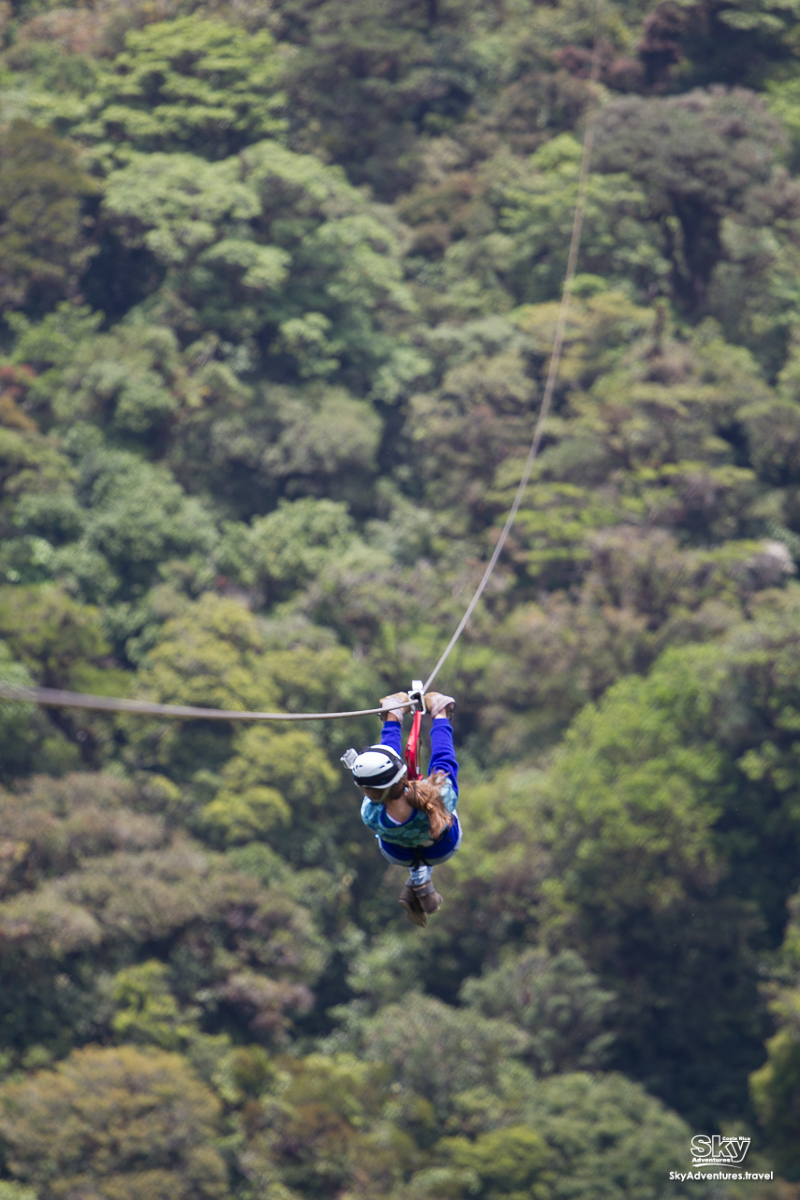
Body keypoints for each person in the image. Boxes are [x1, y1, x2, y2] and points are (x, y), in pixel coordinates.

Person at [341, 691, 460, 927]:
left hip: (398, 855)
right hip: (442, 848)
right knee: (444, 812)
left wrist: (439, 715)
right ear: (403, 773)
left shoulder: (369, 813)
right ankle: (421, 882)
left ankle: (418, 880)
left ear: (366, 791)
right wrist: (437, 712)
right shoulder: (439, 799)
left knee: (414, 836)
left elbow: (383, 772)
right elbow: (443, 757)